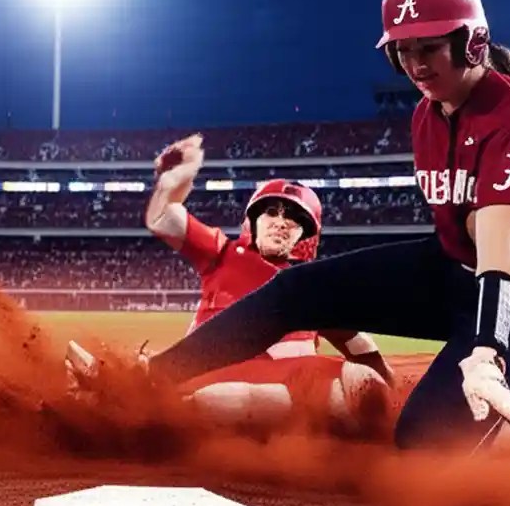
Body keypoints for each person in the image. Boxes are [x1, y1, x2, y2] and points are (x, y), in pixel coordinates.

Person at [135, 0, 510, 452]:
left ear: (471, 41)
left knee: (423, 446)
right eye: (404, 50)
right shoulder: (426, 114)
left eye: (430, 47)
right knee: (296, 289)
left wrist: (486, 353)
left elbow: (498, 249)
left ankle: (501, 421)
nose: (416, 65)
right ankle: (148, 381)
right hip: (453, 270)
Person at [68, 138, 395, 436]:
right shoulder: (224, 253)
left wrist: (387, 385)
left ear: (305, 235)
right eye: (271, 212)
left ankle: (149, 411)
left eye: (293, 217)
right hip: (213, 369)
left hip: (292, 378)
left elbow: (359, 345)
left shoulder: (315, 286)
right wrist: (175, 180)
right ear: (252, 221)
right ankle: (137, 405)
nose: (280, 221)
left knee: (362, 385)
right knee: (225, 395)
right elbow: (163, 219)